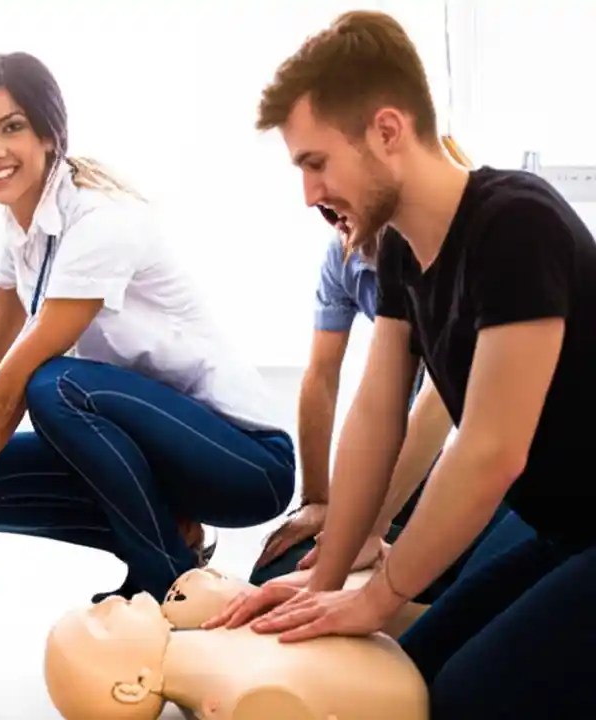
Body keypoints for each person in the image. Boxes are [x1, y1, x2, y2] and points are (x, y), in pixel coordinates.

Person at [206, 11, 596, 718]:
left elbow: (489, 451)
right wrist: (329, 575)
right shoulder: (397, 252)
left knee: (465, 697)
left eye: (315, 163)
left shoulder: (515, 223)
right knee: (410, 668)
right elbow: (377, 415)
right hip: (562, 522)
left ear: (387, 131)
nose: (308, 194)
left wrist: (379, 596)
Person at [0, 51, 295, 603]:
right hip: (164, 458)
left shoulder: (98, 220)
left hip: (245, 462)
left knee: (53, 387)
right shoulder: (20, 233)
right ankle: (168, 544)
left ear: (50, 135)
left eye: (11, 127)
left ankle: (168, 585)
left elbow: (3, 401)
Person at [249, 209, 526, 601]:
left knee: (476, 586)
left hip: (499, 475)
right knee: (278, 570)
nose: (311, 198)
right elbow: (326, 378)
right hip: (425, 465)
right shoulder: (355, 259)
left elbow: (438, 404)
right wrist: (319, 502)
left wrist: (366, 529)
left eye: (319, 164)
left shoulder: (468, 247)